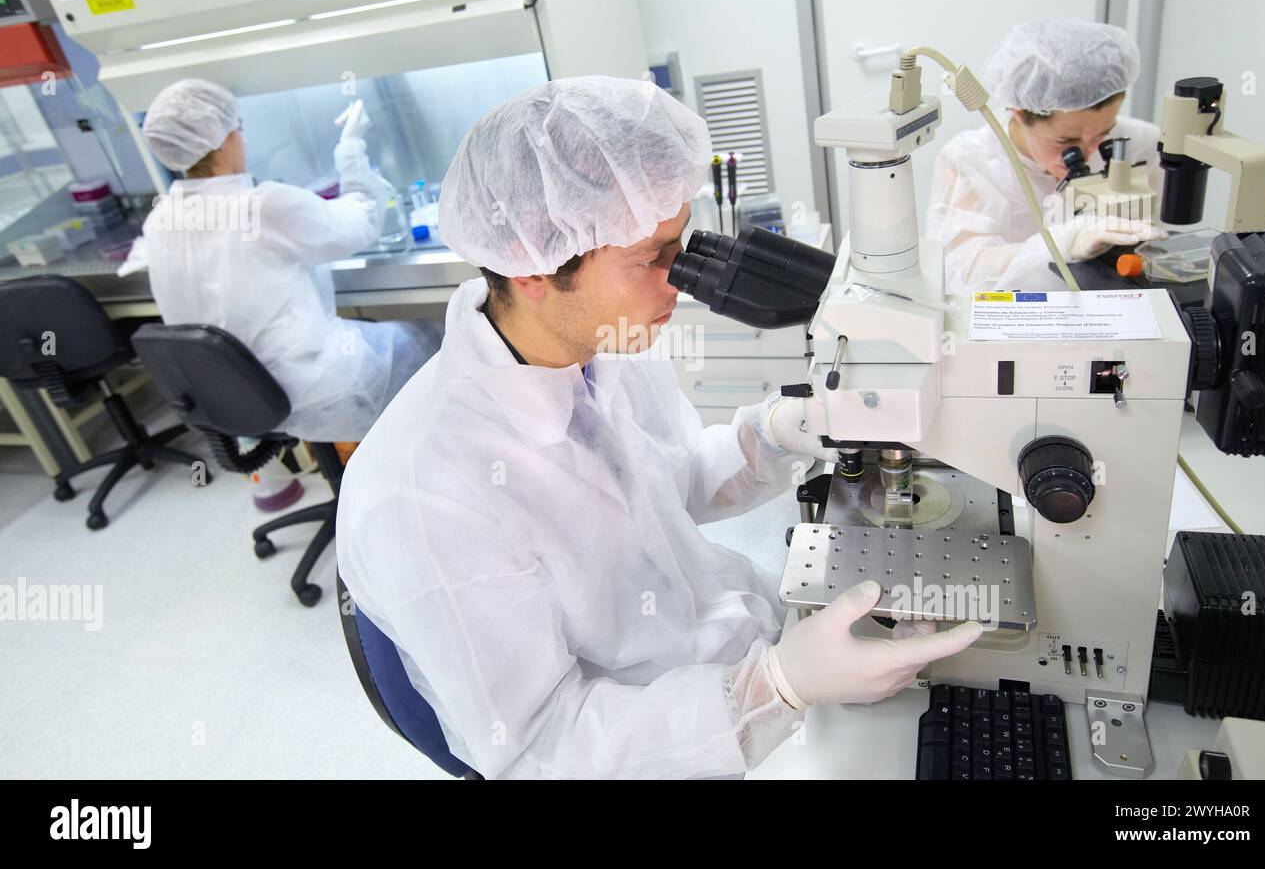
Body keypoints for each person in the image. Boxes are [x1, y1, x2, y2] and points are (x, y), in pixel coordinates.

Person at [336, 76, 983, 779]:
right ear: (533, 272)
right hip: (667, 749)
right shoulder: (423, 495)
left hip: (743, 644)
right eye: (652, 259)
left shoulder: (602, 345)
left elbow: (670, 479)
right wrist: (772, 692)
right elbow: (540, 751)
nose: (681, 281)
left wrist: (776, 431)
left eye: (680, 245)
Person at [140, 79, 442, 442]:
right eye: (239, 128)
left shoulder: (158, 221)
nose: (245, 139)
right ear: (218, 137)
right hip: (317, 390)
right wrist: (351, 149)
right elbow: (361, 222)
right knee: (436, 336)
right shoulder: (260, 206)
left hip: (239, 399)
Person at [927, 19, 1168, 293]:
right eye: (1067, 141)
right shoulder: (970, 161)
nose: (1088, 154)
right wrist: (1063, 244)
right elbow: (960, 273)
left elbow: (1159, 248)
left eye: (1103, 134)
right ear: (1018, 112)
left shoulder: (1142, 143)